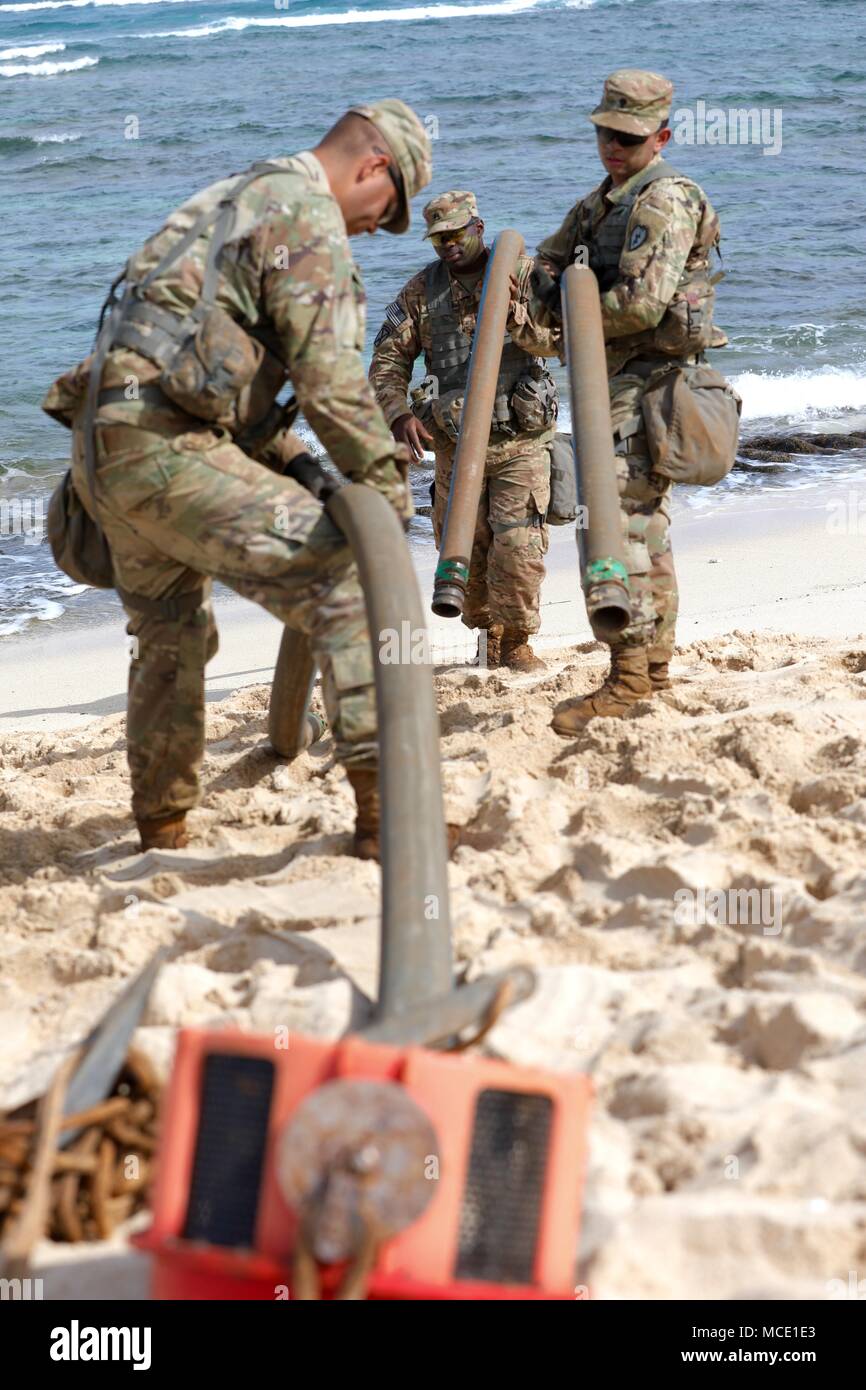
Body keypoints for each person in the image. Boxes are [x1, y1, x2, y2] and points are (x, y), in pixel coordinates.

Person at [41, 100, 432, 859]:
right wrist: (385, 498)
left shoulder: (227, 197)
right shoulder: (307, 214)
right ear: (373, 166)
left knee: (170, 636)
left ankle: (163, 827)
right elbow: (333, 381)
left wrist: (296, 464)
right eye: (384, 215)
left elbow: (210, 371)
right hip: (165, 451)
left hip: (104, 449)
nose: (373, 232)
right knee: (346, 581)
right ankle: (392, 821)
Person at [531, 69, 728, 730]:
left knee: (618, 526)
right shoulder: (600, 204)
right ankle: (654, 671)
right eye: (605, 133)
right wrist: (548, 280)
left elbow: (643, 305)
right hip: (610, 386)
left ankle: (631, 678)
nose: (612, 146)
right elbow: (547, 258)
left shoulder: (665, 200)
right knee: (646, 529)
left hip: (647, 390)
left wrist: (562, 318)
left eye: (628, 136)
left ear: (660, 136)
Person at [369, 190, 560, 671]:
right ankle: (487, 635)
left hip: (519, 440)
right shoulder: (421, 292)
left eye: (456, 233)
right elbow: (387, 360)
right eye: (438, 238)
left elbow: (563, 338)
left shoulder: (521, 274)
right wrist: (398, 414)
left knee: (517, 546)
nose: (448, 245)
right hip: (457, 446)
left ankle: (516, 643)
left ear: (478, 227)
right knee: (464, 552)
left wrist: (522, 322)